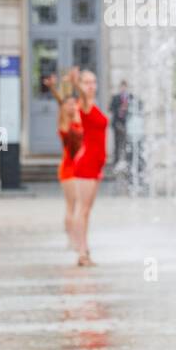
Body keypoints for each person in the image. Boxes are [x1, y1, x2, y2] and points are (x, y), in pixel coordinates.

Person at [66, 68, 108, 267]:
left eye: (94, 82)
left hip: (96, 163)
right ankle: (81, 252)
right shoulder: (83, 103)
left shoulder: (93, 105)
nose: (91, 86)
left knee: (87, 210)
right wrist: (75, 84)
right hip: (87, 163)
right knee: (82, 209)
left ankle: (84, 249)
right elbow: (82, 96)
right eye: (87, 82)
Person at [45, 73, 85, 256]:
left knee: (78, 205)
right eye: (69, 104)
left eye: (74, 103)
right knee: (72, 205)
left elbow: (82, 100)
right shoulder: (65, 122)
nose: (73, 106)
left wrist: (75, 84)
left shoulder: (77, 115)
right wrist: (53, 89)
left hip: (79, 168)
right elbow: (63, 105)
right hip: (68, 169)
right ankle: (71, 239)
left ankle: (76, 238)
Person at [110, 80, 133, 172]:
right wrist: (119, 110)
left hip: (127, 124)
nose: (123, 89)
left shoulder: (131, 97)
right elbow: (111, 108)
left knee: (127, 144)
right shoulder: (115, 98)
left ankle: (127, 162)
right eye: (122, 87)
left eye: (124, 87)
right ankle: (116, 162)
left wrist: (127, 108)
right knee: (117, 144)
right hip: (117, 124)